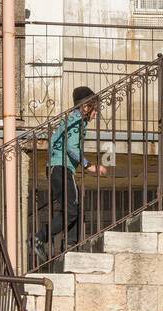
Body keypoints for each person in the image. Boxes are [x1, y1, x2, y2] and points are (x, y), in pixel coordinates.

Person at [33, 86, 108, 263]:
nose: (96, 113)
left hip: (59, 168)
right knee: (72, 210)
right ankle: (40, 238)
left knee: (75, 208)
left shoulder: (72, 119)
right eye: (95, 108)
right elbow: (71, 148)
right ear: (86, 107)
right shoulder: (76, 121)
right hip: (61, 168)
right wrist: (90, 166)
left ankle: (70, 245)